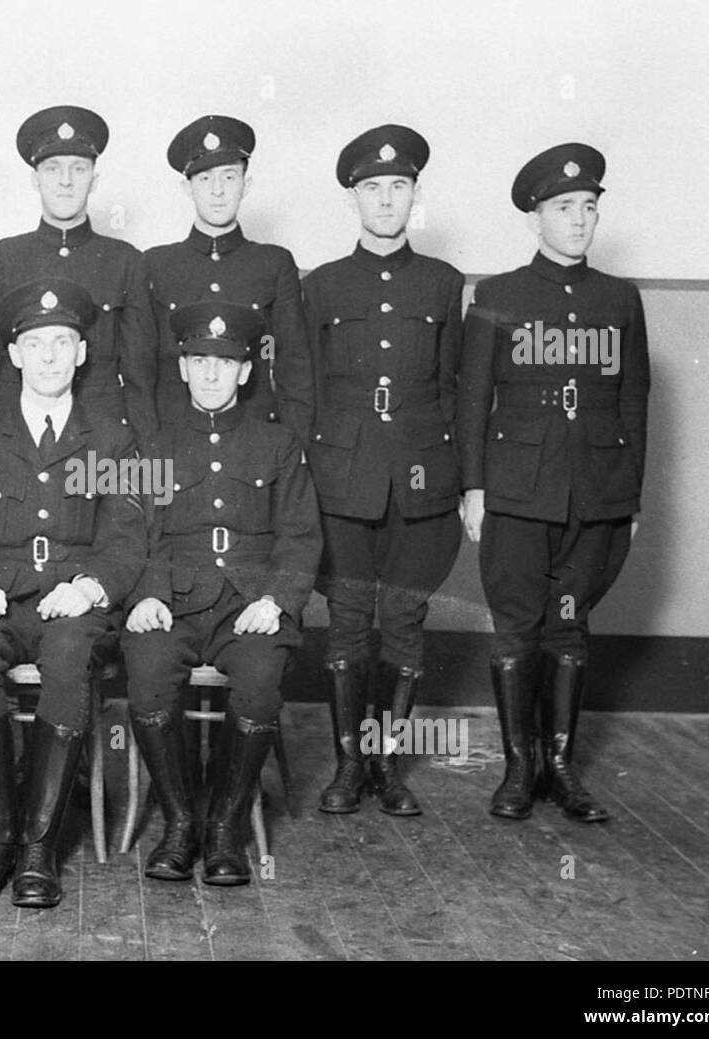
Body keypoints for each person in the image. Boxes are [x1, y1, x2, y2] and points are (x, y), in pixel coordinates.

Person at [458, 143, 649, 823]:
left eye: (589, 208)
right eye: (565, 208)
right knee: (516, 628)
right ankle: (519, 769)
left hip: (595, 491)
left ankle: (562, 768)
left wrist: (628, 496)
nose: (579, 220)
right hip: (516, 490)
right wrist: (474, 488)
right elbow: (472, 397)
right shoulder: (499, 296)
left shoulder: (619, 299)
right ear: (534, 218)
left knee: (569, 627)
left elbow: (633, 401)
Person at [0, 278, 145, 909]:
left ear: (82, 353)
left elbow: (128, 536)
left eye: (63, 342)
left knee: (67, 660)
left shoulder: (114, 437)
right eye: (37, 344)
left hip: (73, 607)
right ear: (14, 355)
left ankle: (38, 848)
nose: (51, 356)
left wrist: (90, 587)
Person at [122, 301, 320, 885]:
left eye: (225, 363)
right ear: (183, 369)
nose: (211, 374)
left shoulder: (278, 444)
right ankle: (181, 821)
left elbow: (301, 534)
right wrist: (147, 595)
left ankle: (225, 827)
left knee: (259, 683)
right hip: (174, 603)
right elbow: (132, 533)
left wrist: (276, 600)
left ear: (246, 372)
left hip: (250, 607)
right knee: (149, 672)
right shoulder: (151, 445)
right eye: (200, 362)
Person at [304, 125, 464, 817]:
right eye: (373, 188)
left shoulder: (444, 282)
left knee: (403, 617)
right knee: (345, 619)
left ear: (414, 194)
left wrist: (461, 480)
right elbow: (303, 389)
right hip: (341, 479)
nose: (387, 199)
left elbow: (455, 385)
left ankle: (388, 765)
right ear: (354, 199)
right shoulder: (323, 286)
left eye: (399, 186)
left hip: (422, 479)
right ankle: (347, 766)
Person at [0, 106, 157, 449]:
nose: (66, 181)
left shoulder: (125, 262)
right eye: (53, 169)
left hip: (102, 435)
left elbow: (140, 376)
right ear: (35, 179)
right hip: (18, 435)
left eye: (78, 169)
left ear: (94, 179)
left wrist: (150, 464)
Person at [146, 115, 312, 439]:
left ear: (246, 185)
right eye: (205, 179)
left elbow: (293, 366)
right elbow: (142, 369)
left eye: (230, 177)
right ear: (187, 187)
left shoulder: (274, 264)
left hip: (256, 440)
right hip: (176, 440)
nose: (218, 191)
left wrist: (292, 449)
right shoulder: (156, 265)